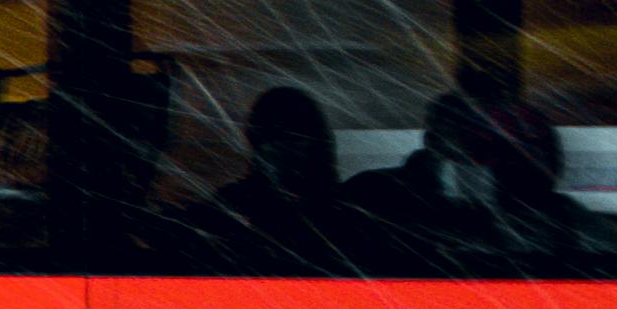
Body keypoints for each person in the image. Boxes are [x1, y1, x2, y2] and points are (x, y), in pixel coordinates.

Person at [356, 81, 576, 257]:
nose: (507, 160)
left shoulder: (565, 222)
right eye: (480, 143)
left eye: (529, 146)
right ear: (433, 141)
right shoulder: (374, 199)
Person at [160, 78, 360, 263]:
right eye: (270, 139)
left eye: (293, 138)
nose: (278, 149)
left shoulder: (340, 211)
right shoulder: (238, 200)